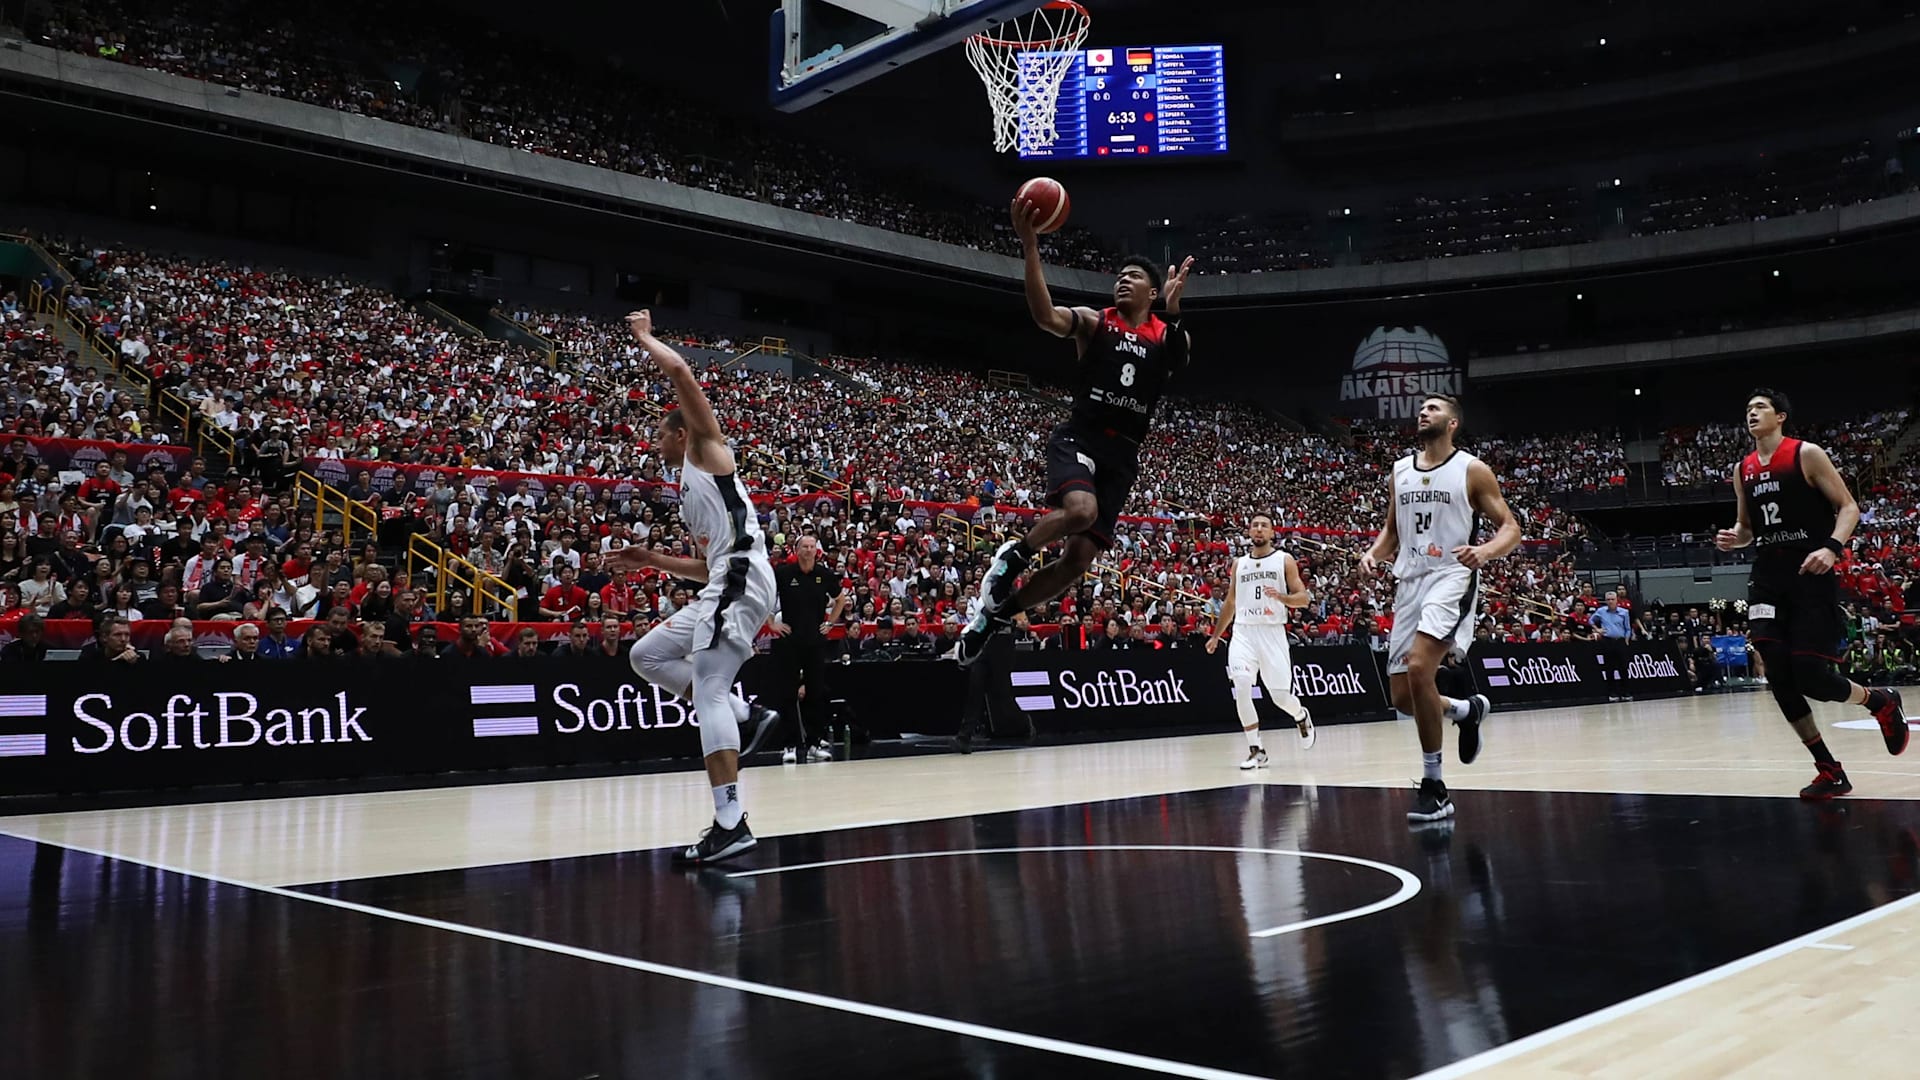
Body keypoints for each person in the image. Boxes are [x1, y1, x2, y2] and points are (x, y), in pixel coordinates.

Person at [953, 206, 1194, 665]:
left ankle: (995, 617)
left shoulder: (1166, 334)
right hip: (1081, 437)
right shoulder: (1095, 320)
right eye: (1118, 276)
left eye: (1132, 277)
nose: (1122, 281)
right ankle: (1013, 558)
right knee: (1081, 511)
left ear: (1153, 290)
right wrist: (1030, 246)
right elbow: (1045, 316)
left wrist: (1176, 310)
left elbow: (1181, 360)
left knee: (1079, 561)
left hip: (1122, 455)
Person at [606, 310, 780, 866]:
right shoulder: (687, 491)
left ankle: (730, 822)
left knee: (705, 687)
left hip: (745, 576)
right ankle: (747, 715)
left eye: (659, 433)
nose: (654, 441)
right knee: (647, 655)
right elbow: (707, 572)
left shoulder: (708, 453)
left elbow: (682, 372)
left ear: (681, 433)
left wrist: (644, 336)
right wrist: (648, 560)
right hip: (728, 580)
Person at [1715, 388, 1907, 799]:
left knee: (1812, 677)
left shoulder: (1806, 454)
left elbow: (1849, 507)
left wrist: (1831, 547)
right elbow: (1748, 527)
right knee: (1777, 671)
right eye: (1747, 409)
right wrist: (1736, 537)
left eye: (1760, 407)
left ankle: (1880, 701)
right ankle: (1828, 769)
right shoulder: (1742, 468)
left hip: (1810, 571)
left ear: (1780, 416)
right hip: (1767, 575)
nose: (1751, 413)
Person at [1360, 395, 1513, 824]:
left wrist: (1484, 552)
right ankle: (1466, 711)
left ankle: (1435, 785)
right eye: (1422, 408)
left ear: (1452, 423)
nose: (1424, 412)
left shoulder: (1472, 469)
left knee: (1419, 669)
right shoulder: (1400, 470)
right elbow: (1392, 530)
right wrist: (1374, 554)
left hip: (1451, 575)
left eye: (1433, 408)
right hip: (1410, 580)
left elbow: (1511, 528)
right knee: (1404, 698)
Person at [1206, 514, 1316, 769]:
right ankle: (1256, 750)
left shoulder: (1283, 560)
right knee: (1242, 687)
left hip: (1272, 632)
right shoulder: (1239, 564)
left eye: (1264, 525)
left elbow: (1304, 598)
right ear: (1248, 531)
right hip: (1243, 632)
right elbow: (1231, 602)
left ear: (1272, 533)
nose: (1258, 529)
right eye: (1254, 525)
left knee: (1280, 697)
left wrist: (1282, 598)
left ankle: (1301, 716)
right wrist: (1215, 636)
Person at [769, 535, 846, 765]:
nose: (809, 550)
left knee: (816, 693)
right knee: (788, 693)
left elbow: (840, 600)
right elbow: (763, 597)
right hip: (790, 641)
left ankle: (814, 744)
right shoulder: (783, 573)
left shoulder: (824, 574)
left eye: (812, 547)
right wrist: (772, 623)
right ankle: (790, 745)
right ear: (797, 549)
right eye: (805, 546)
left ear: (816, 551)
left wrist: (830, 623)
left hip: (815, 641)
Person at [1590, 591, 1633, 700]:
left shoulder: (1624, 612)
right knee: (1609, 668)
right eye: (1608, 599)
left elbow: (1628, 628)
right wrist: (1597, 629)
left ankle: (1625, 692)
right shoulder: (1601, 611)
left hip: (1620, 641)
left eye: (1612, 599)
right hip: (1607, 641)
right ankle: (1612, 693)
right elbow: (1591, 620)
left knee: (1623, 667)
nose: (1610, 601)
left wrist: (1627, 639)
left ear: (1616, 600)